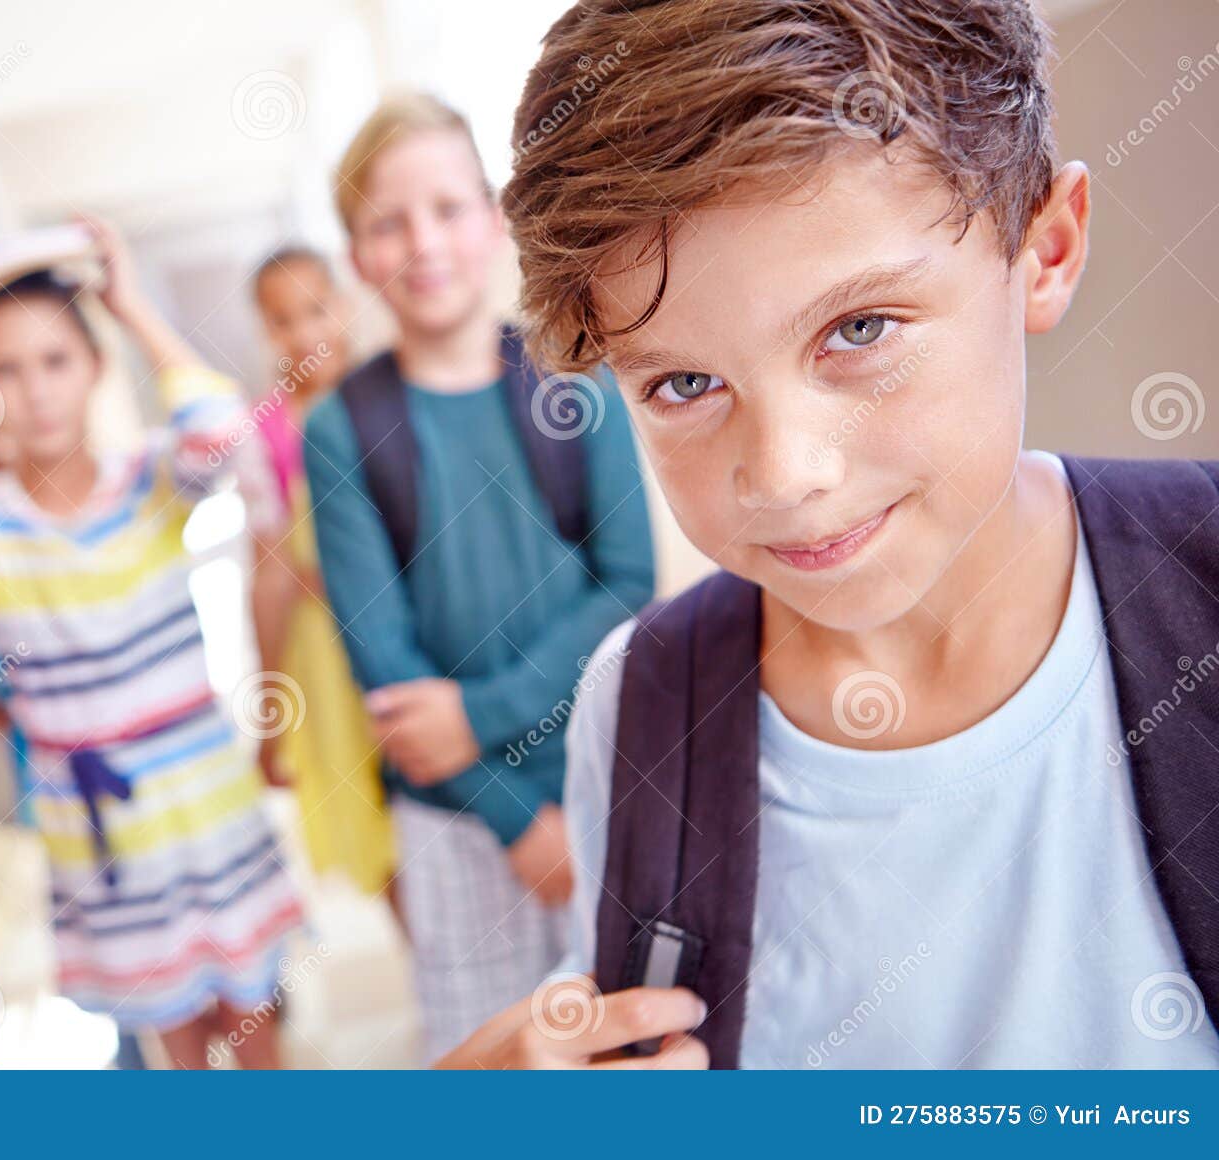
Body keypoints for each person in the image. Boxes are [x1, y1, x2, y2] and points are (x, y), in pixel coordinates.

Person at [490, 0, 1219, 1068]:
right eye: (686, 382)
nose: (784, 475)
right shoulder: (639, 705)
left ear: (1044, 249)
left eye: (858, 329)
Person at [0, 222, 303, 1069]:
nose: (38, 392)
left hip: (205, 809)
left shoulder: (154, 482)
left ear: (94, 366)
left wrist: (128, 304)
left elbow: (223, 432)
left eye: (57, 360)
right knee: (178, 1036)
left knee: (254, 1024)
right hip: (105, 842)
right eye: (7, 372)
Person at [303, 95, 655, 1061]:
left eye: (449, 208)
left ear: (495, 220)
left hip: (606, 785)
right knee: (489, 1070)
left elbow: (628, 588)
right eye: (388, 222)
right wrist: (515, 823)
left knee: (639, 1050)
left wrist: (482, 711)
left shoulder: (576, 382)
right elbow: (387, 668)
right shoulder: (341, 430)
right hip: (455, 820)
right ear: (356, 253)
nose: (424, 242)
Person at [247, 246, 396, 899]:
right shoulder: (267, 435)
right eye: (283, 321)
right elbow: (270, 575)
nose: (305, 334)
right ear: (265, 331)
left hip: (411, 635)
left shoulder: (392, 393)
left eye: (316, 310)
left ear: (343, 304)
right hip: (327, 662)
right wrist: (273, 709)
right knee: (374, 828)